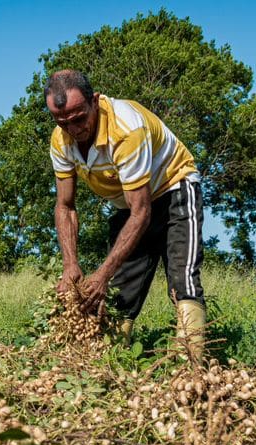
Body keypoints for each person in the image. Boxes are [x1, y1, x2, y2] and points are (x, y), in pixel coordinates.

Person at [46, 69, 207, 363]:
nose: (74, 129)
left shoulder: (126, 129)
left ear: (94, 101)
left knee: (183, 279)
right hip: (128, 205)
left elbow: (142, 212)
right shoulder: (61, 141)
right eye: (63, 122)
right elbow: (65, 206)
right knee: (121, 295)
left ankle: (191, 369)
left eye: (80, 118)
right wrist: (70, 265)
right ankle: (114, 366)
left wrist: (101, 275)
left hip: (173, 189)